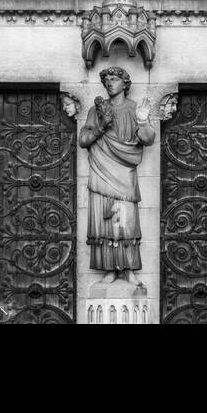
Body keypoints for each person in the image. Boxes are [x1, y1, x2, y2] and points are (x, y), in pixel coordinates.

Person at [79, 67, 157, 284]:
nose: (109, 83)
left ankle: (129, 269)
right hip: (101, 173)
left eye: (114, 79)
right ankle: (110, 270)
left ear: (125, 83)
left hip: (124, 175)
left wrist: (142, 121)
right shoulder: (96, 111)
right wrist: (100, 128)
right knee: (105, 223)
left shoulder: (133, 109)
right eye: (106, 80)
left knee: (126, 223)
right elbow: (83, 140)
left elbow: (148, 139)